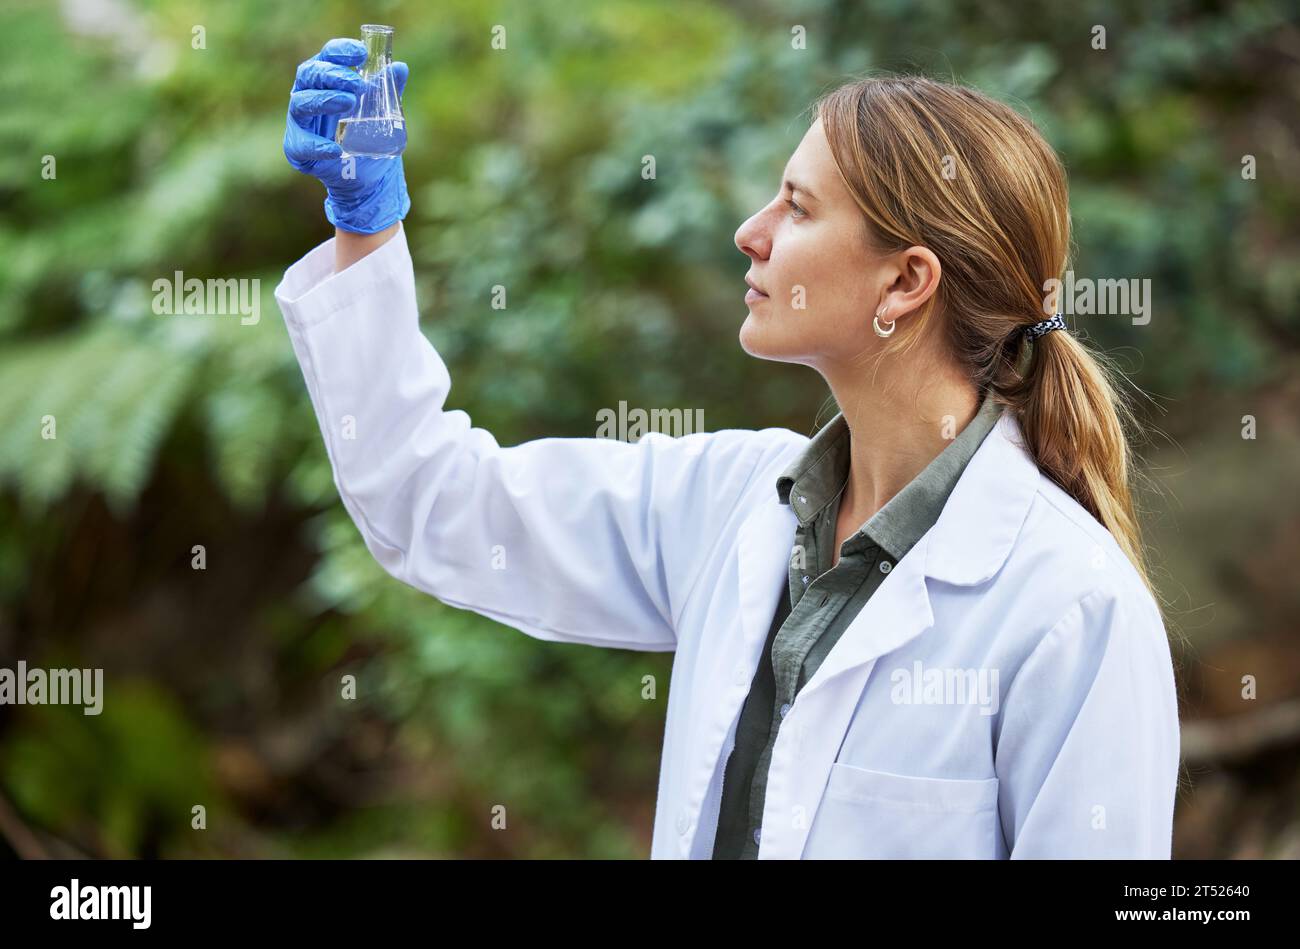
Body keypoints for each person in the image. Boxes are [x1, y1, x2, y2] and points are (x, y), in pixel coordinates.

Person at [277, 39, 1181, 859]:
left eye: (797, 206)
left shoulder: (1072, 609)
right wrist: (366, 226)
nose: (751, 231)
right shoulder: (726, 502)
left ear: (905, 281)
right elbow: (434, 501)